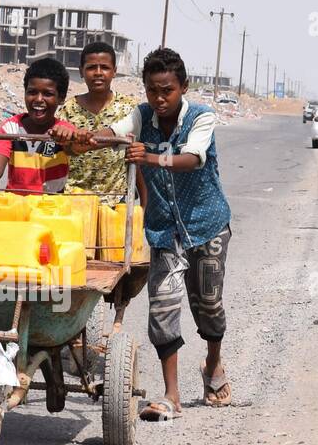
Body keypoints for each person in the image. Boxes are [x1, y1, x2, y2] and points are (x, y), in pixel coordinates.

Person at [76, 46, 233, 419]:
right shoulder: (141, 115)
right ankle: (171, 396)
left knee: (208, 304)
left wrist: (149, 157)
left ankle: (213, 363)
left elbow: (192, 158)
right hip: (164, 231)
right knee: (162, 307)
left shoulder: (201, 117)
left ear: (183, 87)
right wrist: (85, 137)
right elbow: (113, 132)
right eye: (152, 91)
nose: (159, 99)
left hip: (207, 225)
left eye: (167, 91)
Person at [0, 57, 78, 195]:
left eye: (48, 94)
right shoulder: (11, 127)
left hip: (51, 205)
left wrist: (69, 139)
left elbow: (74, 148)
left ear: (61, 98)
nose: (38, 99)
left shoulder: (64, 131)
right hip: (15, 204)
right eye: (32, 92)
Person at [57, 41, 137, 197]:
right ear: (81, 71)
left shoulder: (128, 108)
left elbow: (136, 156)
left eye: (105, 67)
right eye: (91, 67)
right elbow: (63, 150)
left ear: (114, 71)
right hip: (75, 197)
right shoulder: (69, 108)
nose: (98, 73)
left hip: (116, 198)